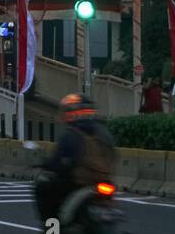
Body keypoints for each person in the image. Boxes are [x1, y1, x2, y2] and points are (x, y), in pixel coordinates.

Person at [36, 94, 118, 225]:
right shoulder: (103, 133)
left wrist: (49, 165)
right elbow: (113, 155)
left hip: (78, 183)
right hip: (103, 181)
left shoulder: (71, 135)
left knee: (45, 192)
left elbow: (60, 163)